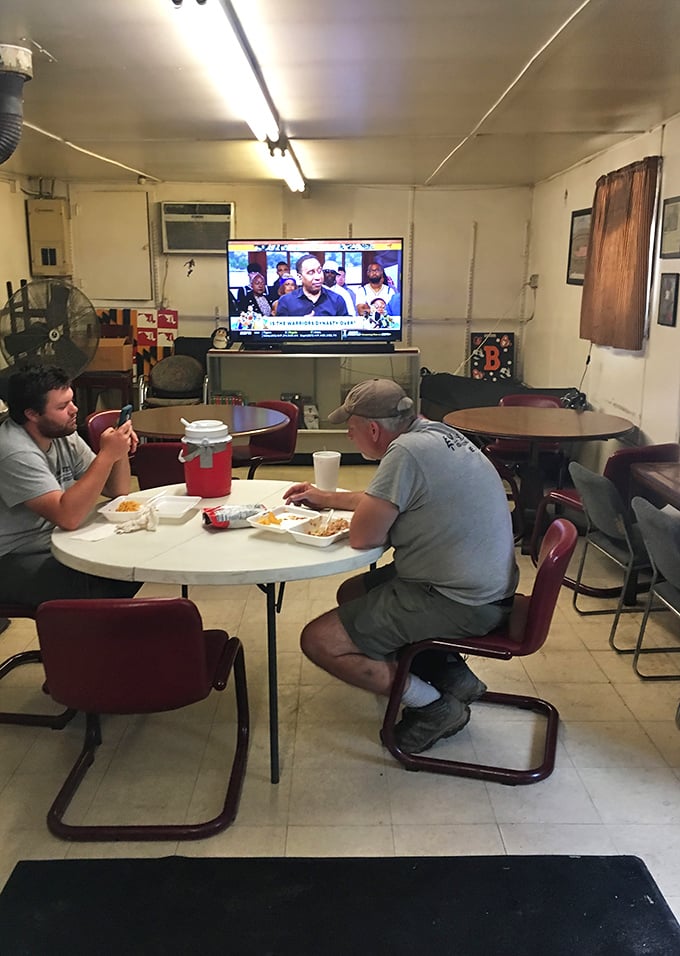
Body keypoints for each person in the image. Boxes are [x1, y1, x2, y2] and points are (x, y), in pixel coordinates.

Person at [284, 378, 518, 754]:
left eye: (351, 428)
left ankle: (434, 707)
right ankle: (451, 674)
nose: (348, 436)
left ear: (373, 429)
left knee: (320, 640)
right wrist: (324, 496)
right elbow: (387, 496)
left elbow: (364, 537)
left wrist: (355, 516)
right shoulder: (435, 433)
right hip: (487, 589)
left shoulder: (405, 453)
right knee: (353, 592)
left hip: (460, 602)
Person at [0, 364, 143, 608]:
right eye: (62, 406)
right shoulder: (14, 451)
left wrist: (118, 450)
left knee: (132, 559)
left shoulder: (62, 432)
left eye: (72, 401)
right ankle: (86, 641)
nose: (74, 410)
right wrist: (107, 455)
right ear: (32, 414)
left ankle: (108, 639)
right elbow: (68, 516)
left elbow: (117, 490)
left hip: (56, 540)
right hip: (14, 556)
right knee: (97, 582)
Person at [276, 254, 349, 317]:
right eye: (311, 272)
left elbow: (347, 331)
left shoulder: (337, 300)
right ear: (300, 276)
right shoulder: (286, 301)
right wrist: (300, 326)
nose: (318, 277)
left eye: (319, 271)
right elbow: (278, 332)